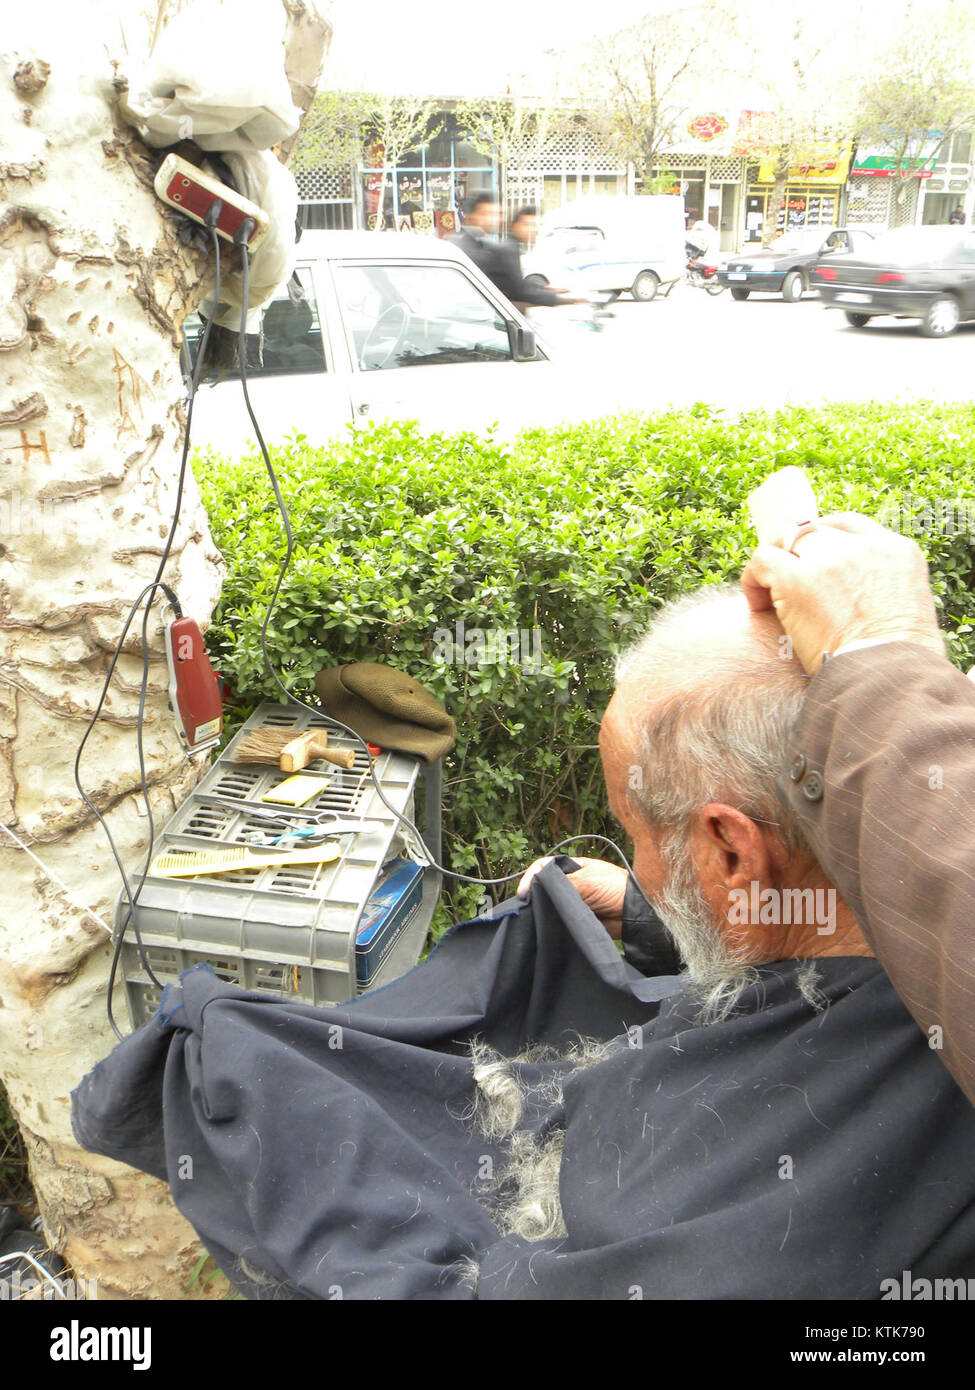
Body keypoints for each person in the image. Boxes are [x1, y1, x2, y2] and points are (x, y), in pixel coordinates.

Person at [75, 565, 975, 1299]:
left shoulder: (769, 1241)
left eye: (633, 829)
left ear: (731, 851)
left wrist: (292, 1132)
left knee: (234, 1049)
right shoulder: (918, 943)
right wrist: (658, 915)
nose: (638, 861)